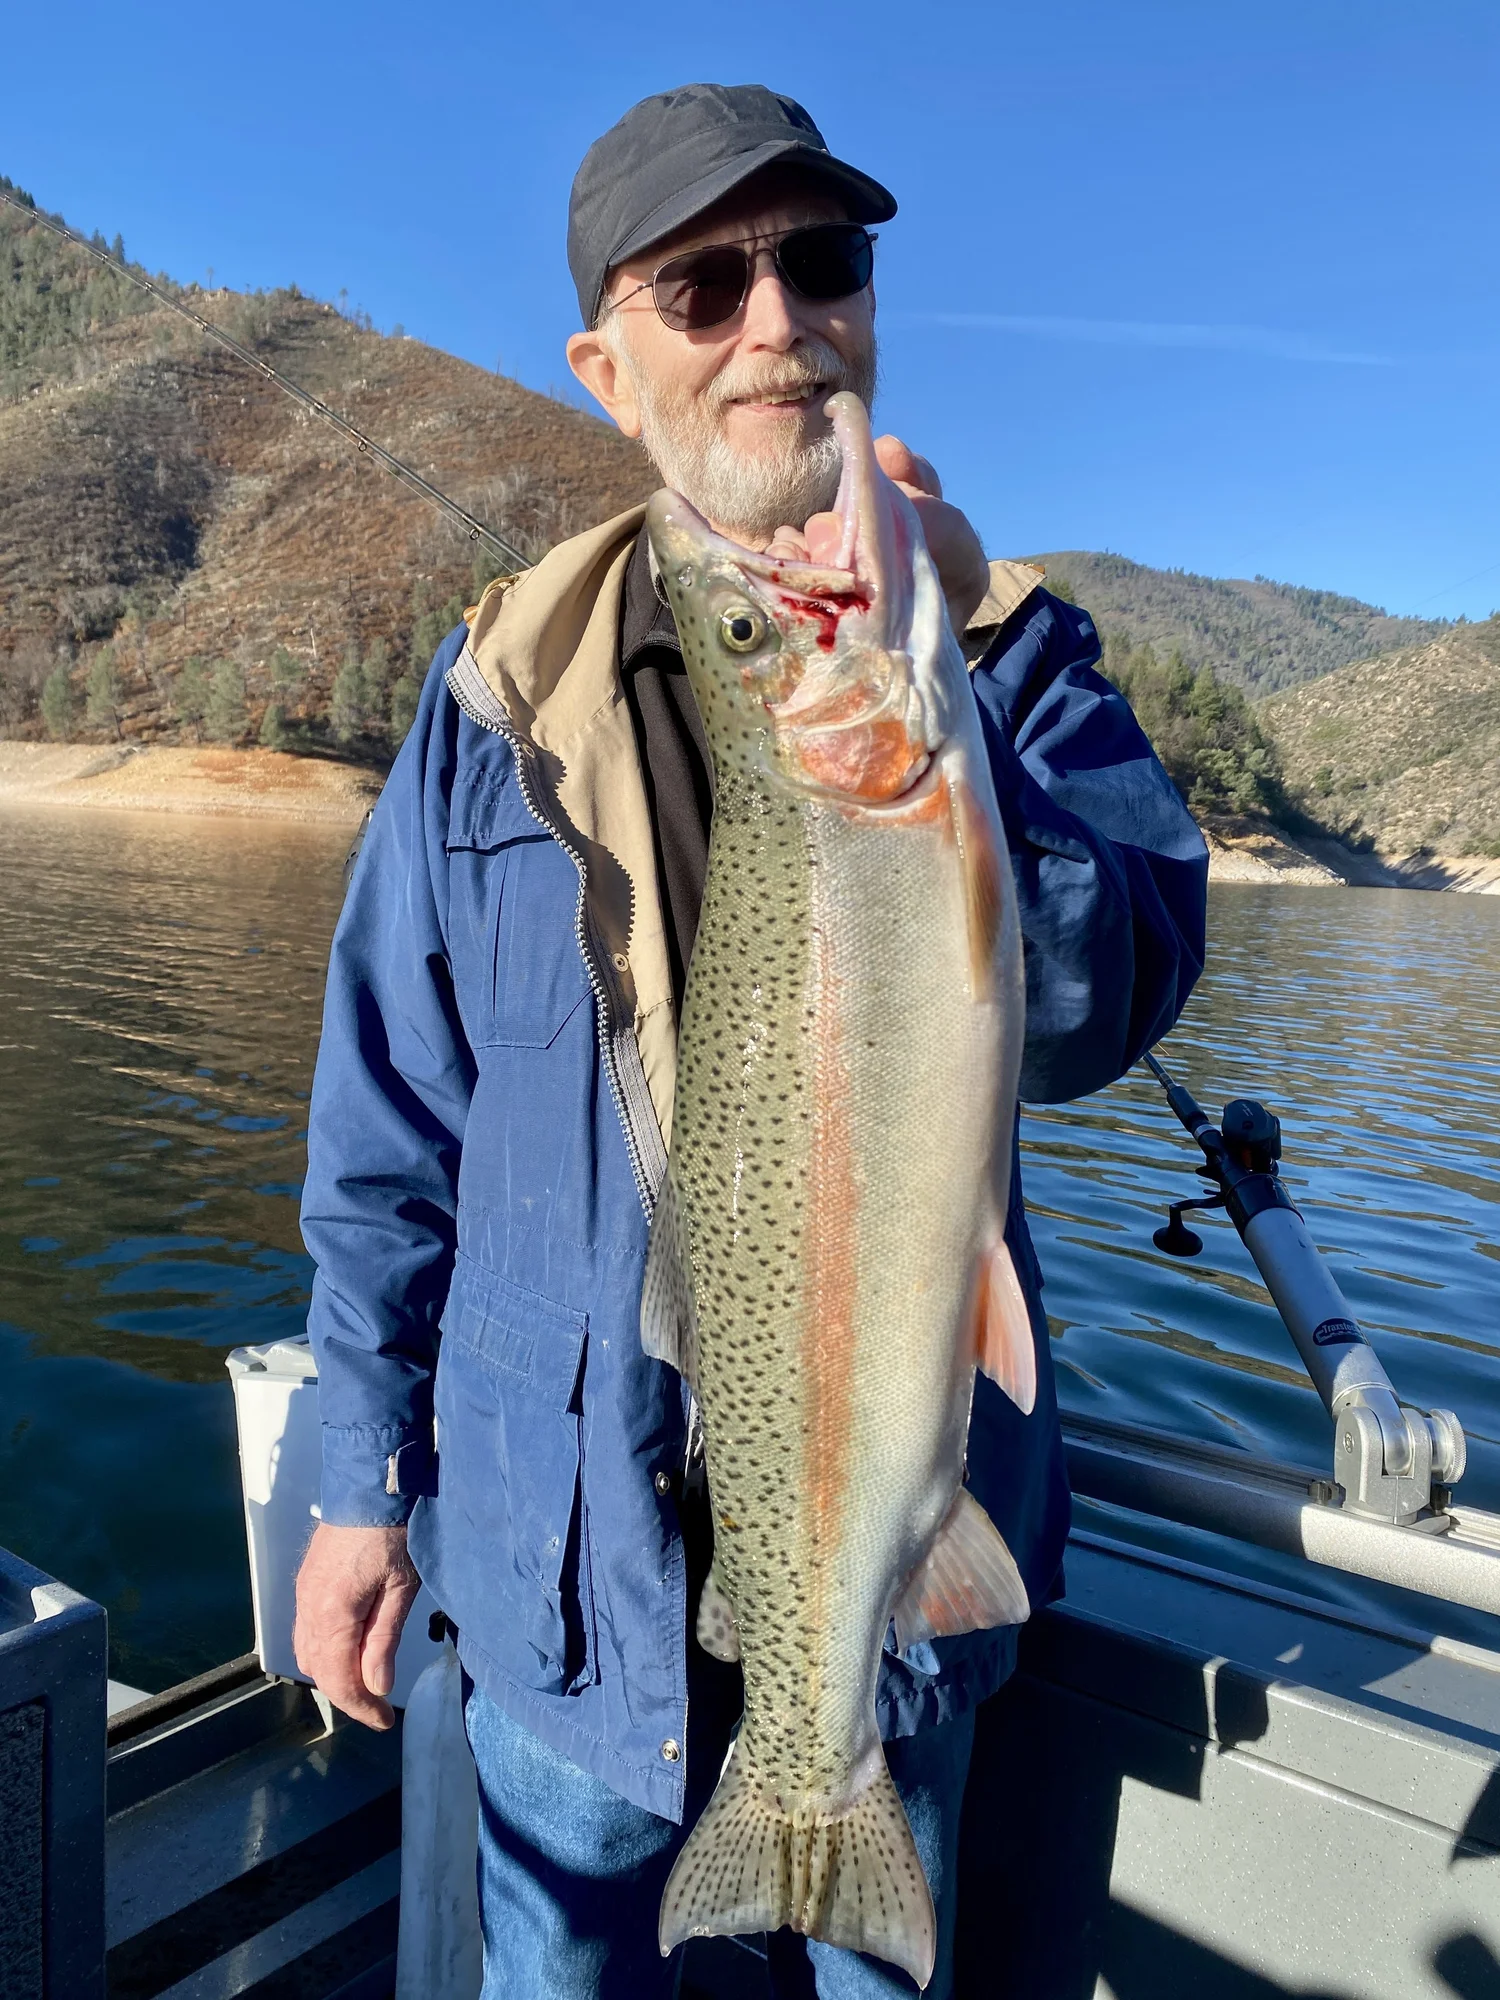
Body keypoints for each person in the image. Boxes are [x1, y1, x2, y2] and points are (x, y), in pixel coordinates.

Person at [293, 82, 1208, 2000]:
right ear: (606, 362)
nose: (777, 318)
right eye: (704, 283)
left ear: (870, 309)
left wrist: (968, 631)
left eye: (823, 263)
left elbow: (1108, 1003)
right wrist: (356, 1489)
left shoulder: (992, 660)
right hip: (563, 1589)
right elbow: (387, 1147)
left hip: (895, 1585)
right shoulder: (485, 710)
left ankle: (822, 1783)